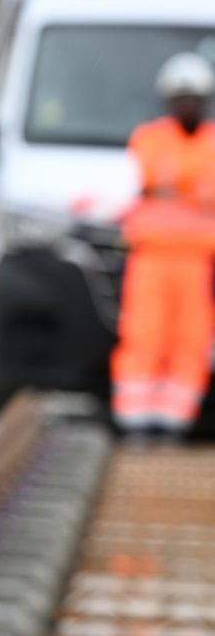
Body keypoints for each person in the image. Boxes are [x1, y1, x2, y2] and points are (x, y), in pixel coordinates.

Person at [111, 50, 215, 439]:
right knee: (144, 334)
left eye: (194, 98)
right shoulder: (149, 140)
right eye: (180, 97)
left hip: (199, 263)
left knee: (191, 340)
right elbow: (124, 189)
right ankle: (134, 419)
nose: (187, 105)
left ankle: (176, 421)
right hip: (150, 259)